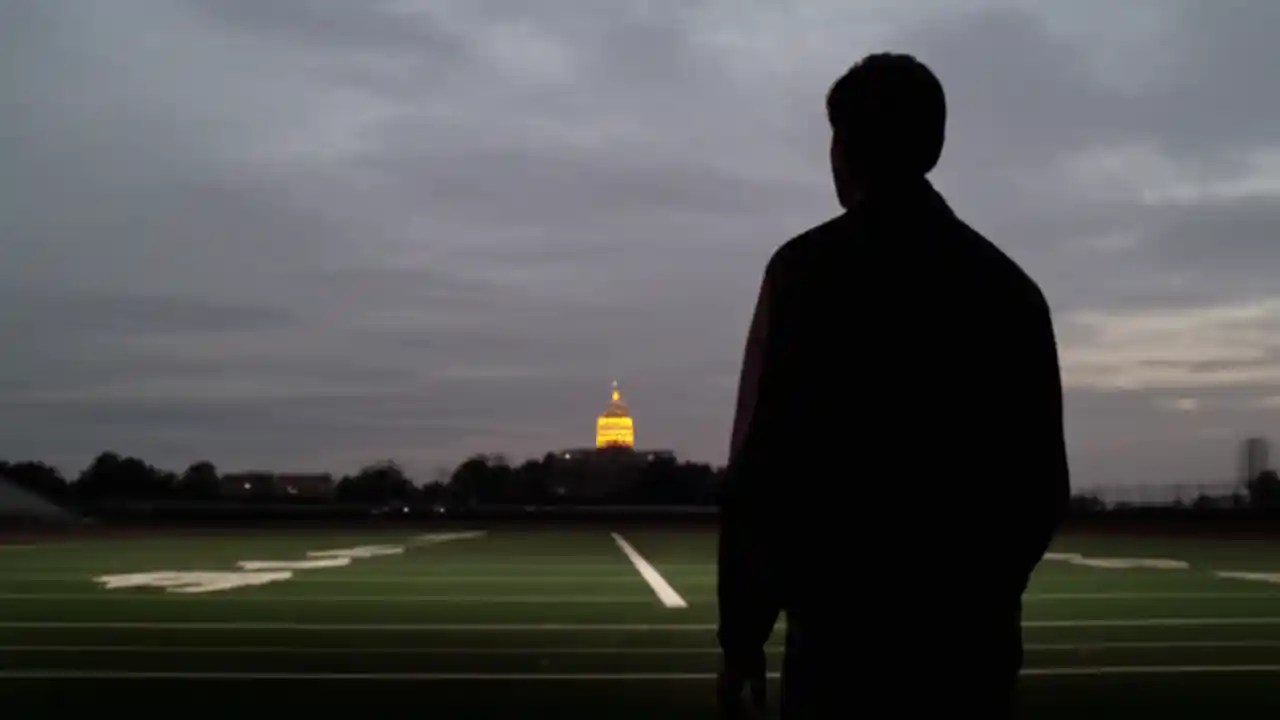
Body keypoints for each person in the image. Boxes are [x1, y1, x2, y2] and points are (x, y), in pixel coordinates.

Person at [717, 53, 1070, 718]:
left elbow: (761, 470)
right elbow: (1040, 487)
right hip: (969, 654)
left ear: (843, 149)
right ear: (933, 146)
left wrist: (743, 636)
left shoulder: (805, 274)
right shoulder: (1008, 290)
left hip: (840, 651)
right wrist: (979, 599)